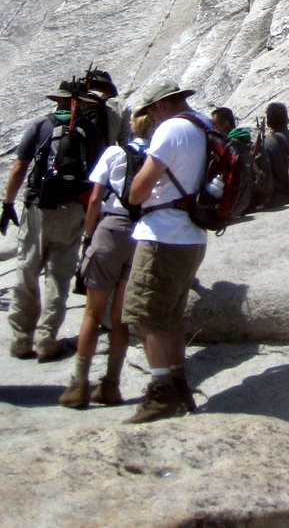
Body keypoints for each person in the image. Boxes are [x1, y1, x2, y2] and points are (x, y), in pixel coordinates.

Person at [121, 80, 210, 423]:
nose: (151, 119)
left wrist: (134, 189)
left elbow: (139, 190)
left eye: (151, 112)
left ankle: (161, 395)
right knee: (171, 316)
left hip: (163, 235)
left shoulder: (170, 130)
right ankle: (178, 384)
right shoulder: (202, 124)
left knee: (148, 315)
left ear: (159, 106)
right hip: (193, 235)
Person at [3, 79, 108, 361]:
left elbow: (20, 166)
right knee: (58, 277)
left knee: (27, 270)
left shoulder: (41, 125)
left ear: (58, 100)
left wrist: (8, 203)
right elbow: (98, 178)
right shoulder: (91, 131)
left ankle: (20, 340)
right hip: (72, 210)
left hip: (39, 206)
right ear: (81, 102)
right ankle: (46, 340)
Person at [58, 110, 155, 409]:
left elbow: (94, 198)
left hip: (111, 229)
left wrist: (89, 237)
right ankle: (111, 385)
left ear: (132, 126)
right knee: (120, 317)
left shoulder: (114, 153)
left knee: (92, 311)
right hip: (142, 233)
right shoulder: (156, 156)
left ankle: (78, 385)